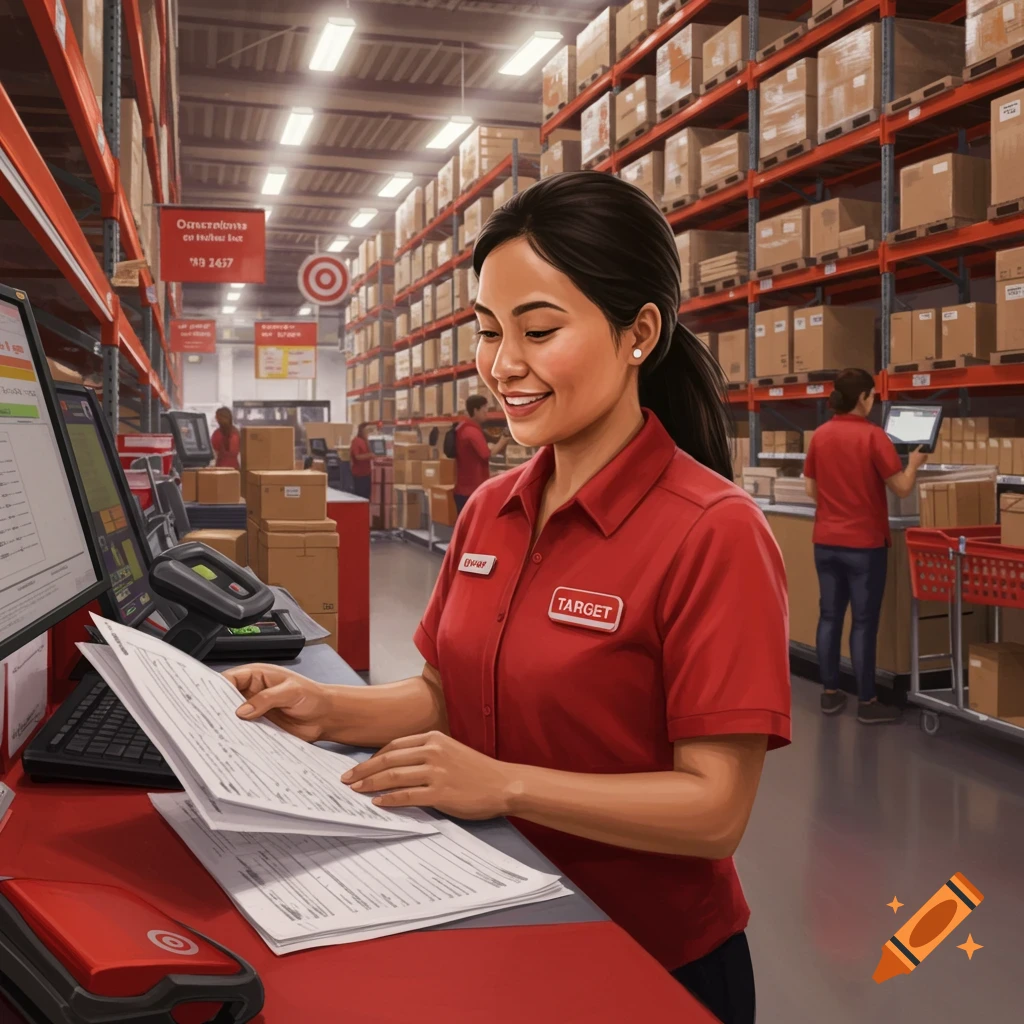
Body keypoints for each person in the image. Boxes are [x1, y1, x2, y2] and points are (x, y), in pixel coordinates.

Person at [224, 172, 791, 1024]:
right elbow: (445, 694)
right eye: (488, 331)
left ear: (639, 333)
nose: (503, 365)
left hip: (650, 964)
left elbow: (714, 808)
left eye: (539, 330)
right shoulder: (492, 508)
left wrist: (505, 787)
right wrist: (322, 705)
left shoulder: (714, 530)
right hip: (498, 921)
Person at [804, 368, 927, 724]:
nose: (873, 400)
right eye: (872, 395)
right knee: (863, 623)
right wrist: (914, 464)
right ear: (862, 398)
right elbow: (901, 487)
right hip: (864, 545)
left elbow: (811, 489)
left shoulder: (820, 435)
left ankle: (830, 693)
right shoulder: (874, 437)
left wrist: (836, 508)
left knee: (829, 616)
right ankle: (868, 702)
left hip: (826, 542)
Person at [453, 394, 509, 514]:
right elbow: (486, 454)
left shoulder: (464, 428)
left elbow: (471, 459)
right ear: (475, 410)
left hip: (465, 490)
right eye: (484, 409)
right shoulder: (471, 431)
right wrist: (503, 441)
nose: (486, 412)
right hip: (471, 492)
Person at [349, 422, 373, 499]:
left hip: (367, 474)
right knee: (361, 497)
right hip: (359, 475)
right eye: (367, 431)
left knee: (367, 496)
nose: (368, 433)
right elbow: (357, 456)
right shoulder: (356, 441)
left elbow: (370, 452)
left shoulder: (365, 441)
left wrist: (367, 440)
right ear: (361, 431)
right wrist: (369, 455)